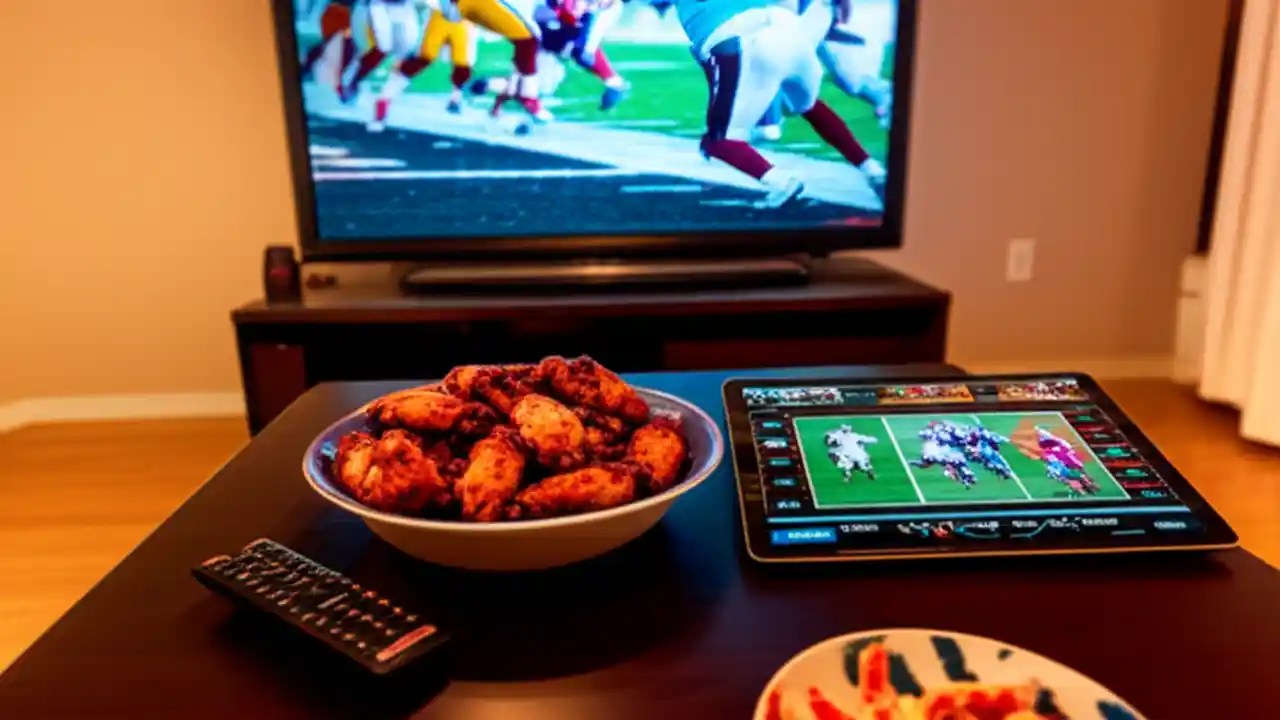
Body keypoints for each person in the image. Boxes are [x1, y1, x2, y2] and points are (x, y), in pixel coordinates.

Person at [673, 0, 885, 208]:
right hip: (790, 28)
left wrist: (716, 129)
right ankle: (871, 168)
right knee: (809, 106)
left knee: (721, 142)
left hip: (742, 38)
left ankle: (781, 182)